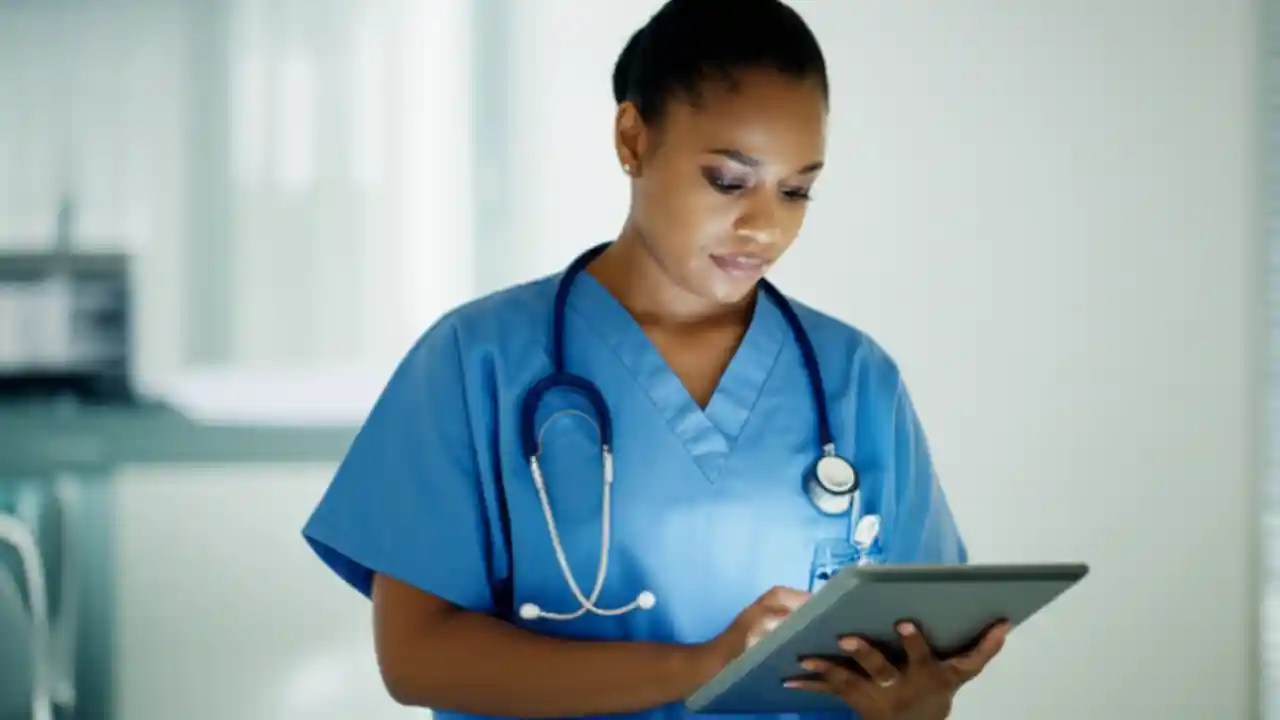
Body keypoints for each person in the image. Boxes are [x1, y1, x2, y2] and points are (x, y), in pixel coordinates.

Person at [301, 1, 1009, 718]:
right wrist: (700, 666)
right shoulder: (475, 361)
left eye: (796, 191)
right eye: (728, 180)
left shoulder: (854, 378)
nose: (765, 226)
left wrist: (918, 703)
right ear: (633, 138)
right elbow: (417, 658)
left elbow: (913, 658)